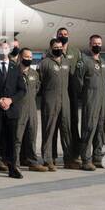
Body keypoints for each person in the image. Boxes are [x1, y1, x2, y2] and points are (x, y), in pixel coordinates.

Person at [0, 38, 25, 178]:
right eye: (0, 49)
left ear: (9, 50)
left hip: (11, 111)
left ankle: (12, 168)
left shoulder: (15, 68)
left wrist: (10, 100)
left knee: (11, 141)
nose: (3, 51)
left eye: (5, 48)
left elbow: (22, 89)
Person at [74, 34, 105, 170]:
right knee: (89, 129)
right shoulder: (84, 61)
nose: (97, 46)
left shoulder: (103, 62)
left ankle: (98, 157)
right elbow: (78, 82)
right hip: (90, 100)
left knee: (101, 129)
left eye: (99, 43)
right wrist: (85, 96)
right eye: (94, 44)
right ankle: (86, 159)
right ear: (90, 45)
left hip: (102, 102)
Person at [39, 38, 73, 170]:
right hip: (50, 101)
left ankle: (68, 159)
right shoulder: (44, 63)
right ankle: (48, 159)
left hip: (65, 100)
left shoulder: (66, 62)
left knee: (66, 130)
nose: (59, 49)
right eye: (56, 47)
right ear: (51, 48)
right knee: (49, 131)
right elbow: (39, 83)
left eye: (60, 47)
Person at [12, 48, 47, 171]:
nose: (29, 59)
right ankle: (15, 164)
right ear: (20, 58)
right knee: (17, 138)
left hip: (32, 108)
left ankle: (32, 161)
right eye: (26, 57)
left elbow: (37, 88)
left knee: (32, 136)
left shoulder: (34, 74)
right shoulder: (13, 73)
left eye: (30, 57)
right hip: (18, 109)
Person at [56, 27, 84, 167]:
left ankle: (75, 154)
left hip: (72, 91)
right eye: (60, 34)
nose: (63, 36)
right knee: (55, 125)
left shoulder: (75, 52)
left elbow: (80, 70)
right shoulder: (51, 51)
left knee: (73, 123)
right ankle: (52, 156)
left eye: (65, 34)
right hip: (58, 90)